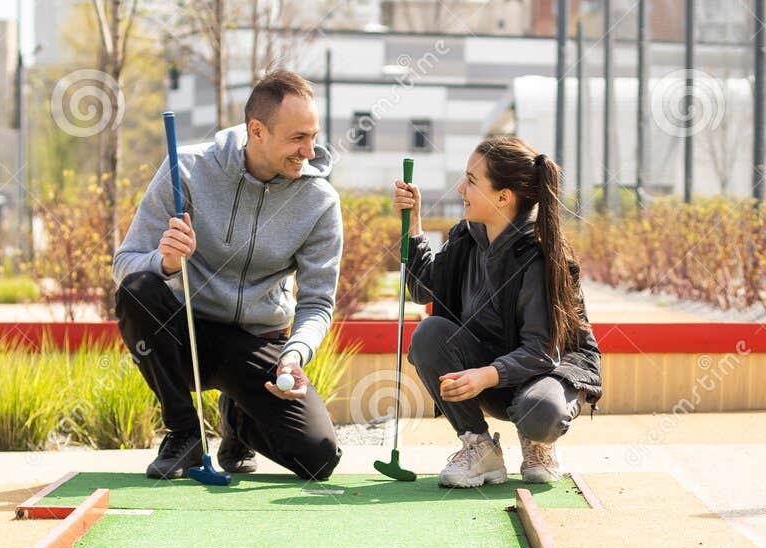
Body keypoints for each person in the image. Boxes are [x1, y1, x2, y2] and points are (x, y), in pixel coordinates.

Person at [113, 70, 343, 480]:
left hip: (256, 343)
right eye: (297, 138)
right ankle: (184, 432)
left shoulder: (319, 200)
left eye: (313, 135)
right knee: (138, 288)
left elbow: (317, 302)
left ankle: (240, 421)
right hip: (186, 337)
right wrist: (164, 263)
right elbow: (125, 265)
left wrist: (295, 354)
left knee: (320, 457)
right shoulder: (185, 169)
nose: (310, 150)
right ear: (257, 131)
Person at [393, 136, 601, 487]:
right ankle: (480, 446)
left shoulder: (539, 256)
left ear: (503, 197)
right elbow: (421, 289)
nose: (461, 188)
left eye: (472, 181)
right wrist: (413, 223)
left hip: (545, 375)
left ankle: (537, 443)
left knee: (540, 412)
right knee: (429, 334)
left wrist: (484, 376)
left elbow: (540, 352)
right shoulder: (467, 237)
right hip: (489, 374)